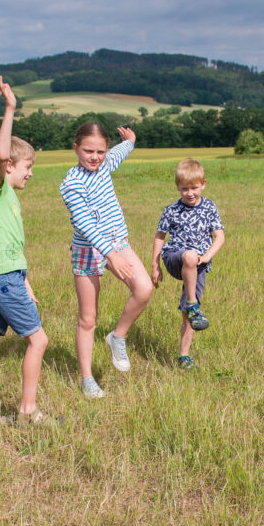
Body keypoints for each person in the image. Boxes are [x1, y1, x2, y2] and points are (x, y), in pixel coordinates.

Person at [0, 75, 52, 425]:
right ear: (9, 166)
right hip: (2, 281)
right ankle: (27, 412)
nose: (30, 173)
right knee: (39, 341)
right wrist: (10, 108)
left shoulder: (8, 198)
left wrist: (25, 283)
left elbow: (11, 247)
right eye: (28, 167)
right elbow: (1, 153)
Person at [59, 122, 153, 397]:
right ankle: (88, 379)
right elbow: (83, 223)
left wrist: (131, 140)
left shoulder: (105, 165)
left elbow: (119, 152)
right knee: (88, 318)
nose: (95, 157)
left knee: (144, 289)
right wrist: (110, 255)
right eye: (88, 151)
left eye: (100, 151)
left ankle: (118, 336)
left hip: (117, 242)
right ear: (75, 148)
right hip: (88, 250)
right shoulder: (71, 183)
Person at [150, 157, 225, 369]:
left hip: (199, 264)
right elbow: (159, 236)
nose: (190, 193)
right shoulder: (171, 210)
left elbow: (219, 237)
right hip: (174, 256)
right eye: (184, 189)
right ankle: (193, 304)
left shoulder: (210, 207)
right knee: (190, 256)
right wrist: (155, 266)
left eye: (194, 188)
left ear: (203, 184)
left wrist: (208, 256)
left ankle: (184, 356)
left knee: (190, 315)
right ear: (177, 187)